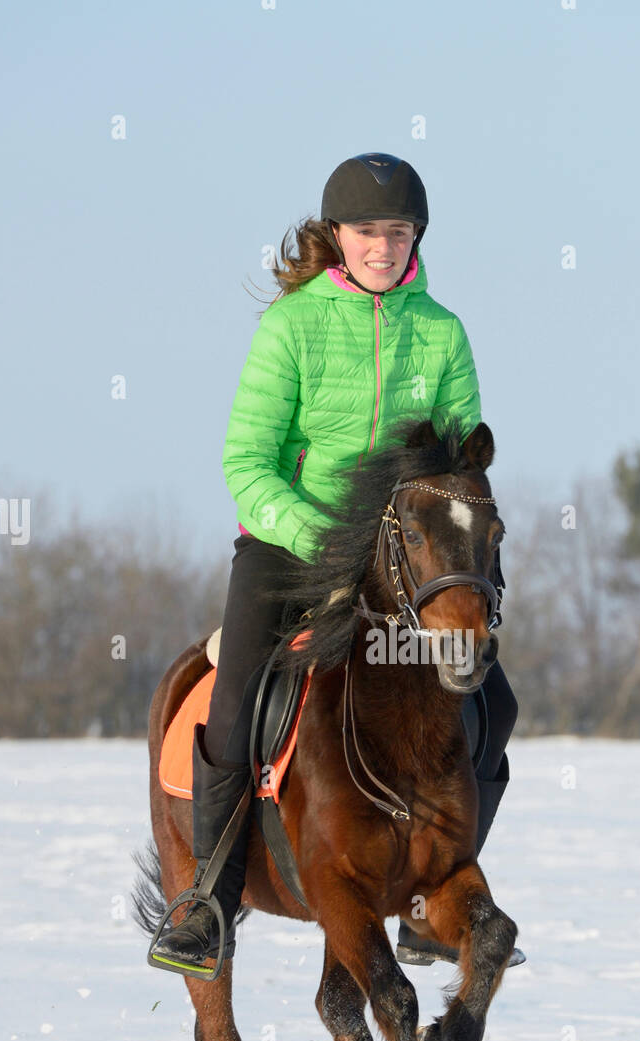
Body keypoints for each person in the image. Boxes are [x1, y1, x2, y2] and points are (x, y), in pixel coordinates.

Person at [153, 152, 519, 971]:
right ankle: (206, 901)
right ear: (337, 236)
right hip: (291, 548)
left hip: (401, 561)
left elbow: (457, 463)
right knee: (236, 700)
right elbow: (248, 462)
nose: (383, 247)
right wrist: (314, 534)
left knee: (495, 704)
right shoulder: (291, 327)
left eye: (399, 232)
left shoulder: (443, 331)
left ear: (417, 238)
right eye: (367, 232)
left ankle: (433, 896)